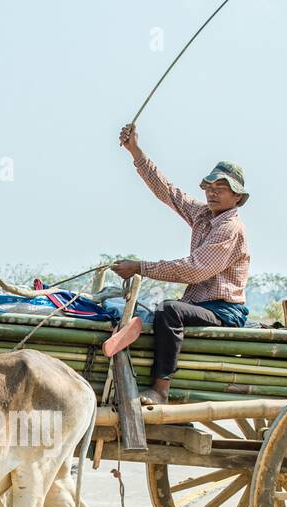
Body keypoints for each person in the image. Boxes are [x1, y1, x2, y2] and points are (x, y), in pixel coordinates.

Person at [111, 123, 251, 405]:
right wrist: (135, 151)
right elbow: (168, 193)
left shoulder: (229, 227)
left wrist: (141, 267)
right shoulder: (202, 214)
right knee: (144, 310)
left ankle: (160, 390)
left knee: (169, 310)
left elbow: (196, 269)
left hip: (224, 309)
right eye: (209, 188)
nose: (212, 193)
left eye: (221, 189)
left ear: (237, 197)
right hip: (201, 306)